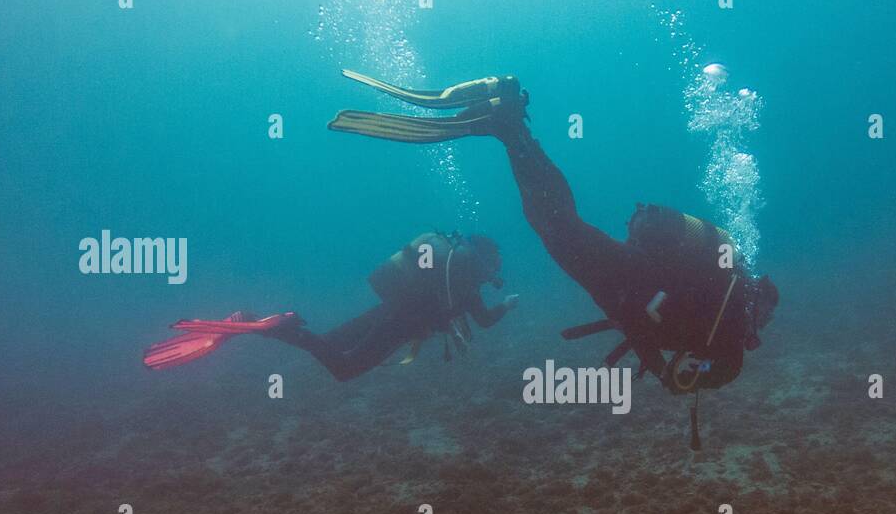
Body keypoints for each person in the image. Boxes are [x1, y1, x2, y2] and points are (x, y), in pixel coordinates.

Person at [327, 73, 778, 397]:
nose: (761, 326)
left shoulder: (725, 310)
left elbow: (658, 339)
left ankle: (508, 127)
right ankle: (510, 124)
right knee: (561, 227)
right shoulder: (730, 333)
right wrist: (672, 375)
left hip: (628, 288)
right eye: (765, 317)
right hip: (635, 281)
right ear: (758, 303)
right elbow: (704, 372)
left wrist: (666, 368)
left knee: (555, 228)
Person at [144, 232, 517, 379]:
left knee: (329, 342)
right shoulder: (467, 282)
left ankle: (258, 321)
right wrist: (508, 306)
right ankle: (274, 325)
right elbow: (484, 321)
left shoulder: (453, 270)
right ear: (484, 260)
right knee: (344, 368)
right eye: (495, 265)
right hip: (402, 321)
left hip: (390, 309)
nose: (495, 272)